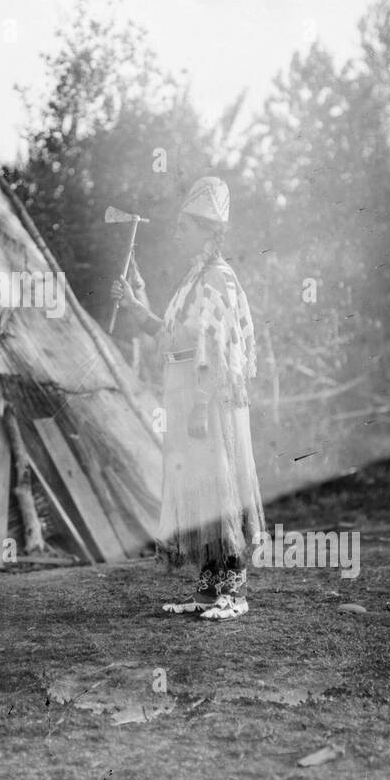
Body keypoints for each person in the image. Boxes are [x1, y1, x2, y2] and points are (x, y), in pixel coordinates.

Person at [110, 176, 265, 620]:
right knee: (201, 488)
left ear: (205, 229)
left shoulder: (217, 278)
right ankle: (209, 589)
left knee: (220, 485)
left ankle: (234, 592)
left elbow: (213, 348)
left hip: (208, 401)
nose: (177, 233)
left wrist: (200, 402)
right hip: (188, 397)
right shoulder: (194, 279)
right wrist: (137, 305)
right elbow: (172, 336)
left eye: (184, 226)